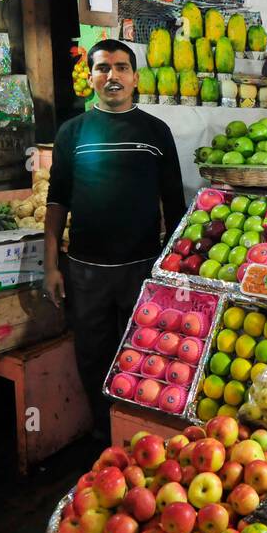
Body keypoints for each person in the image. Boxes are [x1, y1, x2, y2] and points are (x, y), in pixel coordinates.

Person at [43, 40, 187, 430]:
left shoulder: (156, 131)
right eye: (103, 68)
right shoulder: (72, 132)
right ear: (90, 77)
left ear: (135, 78)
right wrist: (51, 265)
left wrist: (172, 272)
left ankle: (137, 431)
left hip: (143, 268)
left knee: (145, 354)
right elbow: (57, 201)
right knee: (92, 357)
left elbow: (174, 204)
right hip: (86, 272)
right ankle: (103, 436)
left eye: (122, 68)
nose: (113, 76)